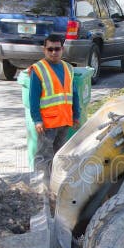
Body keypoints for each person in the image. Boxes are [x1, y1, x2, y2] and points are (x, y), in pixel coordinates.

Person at [28, 34, 80, 173]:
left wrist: (76, 116)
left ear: (62, 49)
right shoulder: (39, 69)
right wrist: (37, 120)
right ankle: (41, 188)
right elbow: (33, 98)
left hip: (64, 121)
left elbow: (74, 94)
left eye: (57, 49)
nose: (53, 52)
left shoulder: (68, 68)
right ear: (44, 49)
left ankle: (54, 186)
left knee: (60, 156)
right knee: (44, 157)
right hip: (47, 123)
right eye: (50, 49)